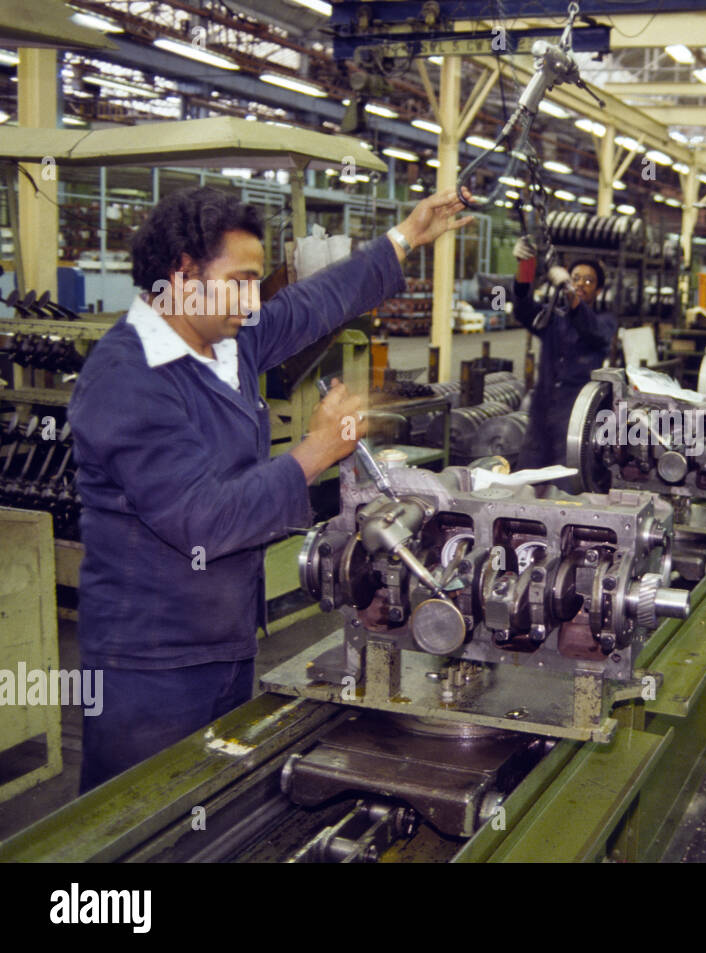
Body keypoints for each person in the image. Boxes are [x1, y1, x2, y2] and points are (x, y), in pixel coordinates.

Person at [68, 185, 472, 791]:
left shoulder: (223, 339)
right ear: (182, 275)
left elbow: (311, 303)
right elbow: (201, 519)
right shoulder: (127, 380)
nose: (254, 299)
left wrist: (404, 237)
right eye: (241, 278)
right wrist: (317, 450)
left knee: (213, 810)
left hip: (225, 639)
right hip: (150, 665)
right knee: (137, 828)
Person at [512, 240, 618, 469]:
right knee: (527, 480)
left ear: (598, 290)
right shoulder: (553, 319)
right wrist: (524, 266)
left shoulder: (605, 322)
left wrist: (569, 290)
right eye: (576, 278)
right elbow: (523, 310)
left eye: (588, 281)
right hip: (540, 414)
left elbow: (591, 330)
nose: (580, 284)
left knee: (566, 485)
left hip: (575, 418)